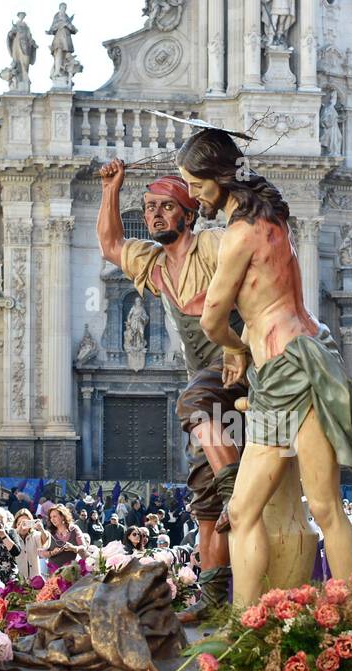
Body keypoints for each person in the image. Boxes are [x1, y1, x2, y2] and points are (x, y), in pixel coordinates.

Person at [178, 126, 352, 608]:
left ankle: (243, 621)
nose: (192, 195)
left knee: (244, 510)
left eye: (195, 184)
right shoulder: (275, 223)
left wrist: (235, 349)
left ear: (221, 178)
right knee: (329, 507)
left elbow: (211, 319)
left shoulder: (237, 236)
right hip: (313, 355)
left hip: (282, 371)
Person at [98, 159, 246, 620]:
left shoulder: (213, 244)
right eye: (149, 208)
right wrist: (111, 189)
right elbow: (109, 243)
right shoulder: (155, 263)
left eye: (166, 207)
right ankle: (213, 597)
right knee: (204, 501)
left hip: (240, 370)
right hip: (206, 380)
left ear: (189, 213)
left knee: (194, 401)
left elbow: (253, 250)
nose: (156, 215)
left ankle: (238, 488)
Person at [43, 505, 84, 572]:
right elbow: (42, 553)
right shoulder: (49, 533)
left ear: (62, 517)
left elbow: (83, 547)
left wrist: (74, 548)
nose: (52, 519)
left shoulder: (74, 529)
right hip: (54, 574)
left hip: (71, 572)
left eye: (54, 516)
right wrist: (52, 553)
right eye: (51, 517)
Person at [13, 509, 49, 581]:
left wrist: (42, 530)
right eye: (19, 523)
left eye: (25, 523)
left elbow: (44, 542)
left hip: (35, 578)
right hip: (18, 579)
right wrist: (17, 531)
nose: (22, 527)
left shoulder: (34, 534)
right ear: (15, 524)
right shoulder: (12, 536)